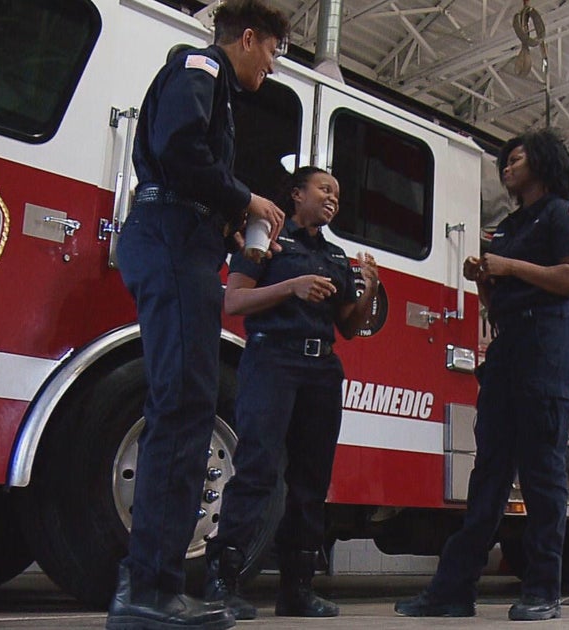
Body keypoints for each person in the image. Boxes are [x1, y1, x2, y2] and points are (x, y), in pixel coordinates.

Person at [108, 2, 289, 629]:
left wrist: (229, 219)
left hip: (183, 237)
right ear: (248, 37)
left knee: (182, 404)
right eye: (272, 50)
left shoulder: (207, 82)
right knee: (184, 406)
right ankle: (150, 592)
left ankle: (150, 584)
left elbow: (187, 161)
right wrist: (246, 198)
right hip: (172, 238)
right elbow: (180, 148)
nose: (271, 64)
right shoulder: (199, 67)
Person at [394, 128, 569, 622]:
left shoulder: (563, 212)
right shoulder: (510, 225)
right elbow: (500, 299)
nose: (507, 167)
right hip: (509, 342)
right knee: (488, 472)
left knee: (543, 468)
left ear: (543, 161)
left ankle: (544, 589)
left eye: (517, 159)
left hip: (549, 339)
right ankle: (453, 590)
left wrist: (511, 265)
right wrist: (489, 280)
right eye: (504, 161)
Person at [202, 166, 379, 620]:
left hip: (322, 369)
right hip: (273, 360)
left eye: (337, 192)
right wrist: (292, 286)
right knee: (258, 467)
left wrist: (369, 291)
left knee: (310, 480)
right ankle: (223, 579)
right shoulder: (267, 233)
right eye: (324, 188)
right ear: (297, 194)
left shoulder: (337, 256)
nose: (333, 197)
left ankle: (297, 588)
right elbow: (235, 300)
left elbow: (350, 327)